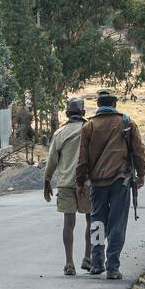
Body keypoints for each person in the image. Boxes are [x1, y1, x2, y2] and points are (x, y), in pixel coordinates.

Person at [75, 88, 145, 280]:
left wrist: (80, 182)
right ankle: (113, 267)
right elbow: (139, 152)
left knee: (97, 222)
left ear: (98, 104)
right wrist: (141, 174)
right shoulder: (126, 122)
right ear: (115, 104)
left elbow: (82, 159)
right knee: (117, 224)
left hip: (97, 184)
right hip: (120, 181)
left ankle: (97, 263)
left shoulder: (89, 126)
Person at [44, 96, 92, 275]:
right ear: (83, 113)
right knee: (91, 219)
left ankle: (69, 263)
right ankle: (88, 257)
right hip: (87, 183)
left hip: (65, 183)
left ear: (66, 113)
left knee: (68, 222)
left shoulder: (60, 133)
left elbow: (52, 161)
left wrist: (47, 181)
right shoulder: (90, 129)